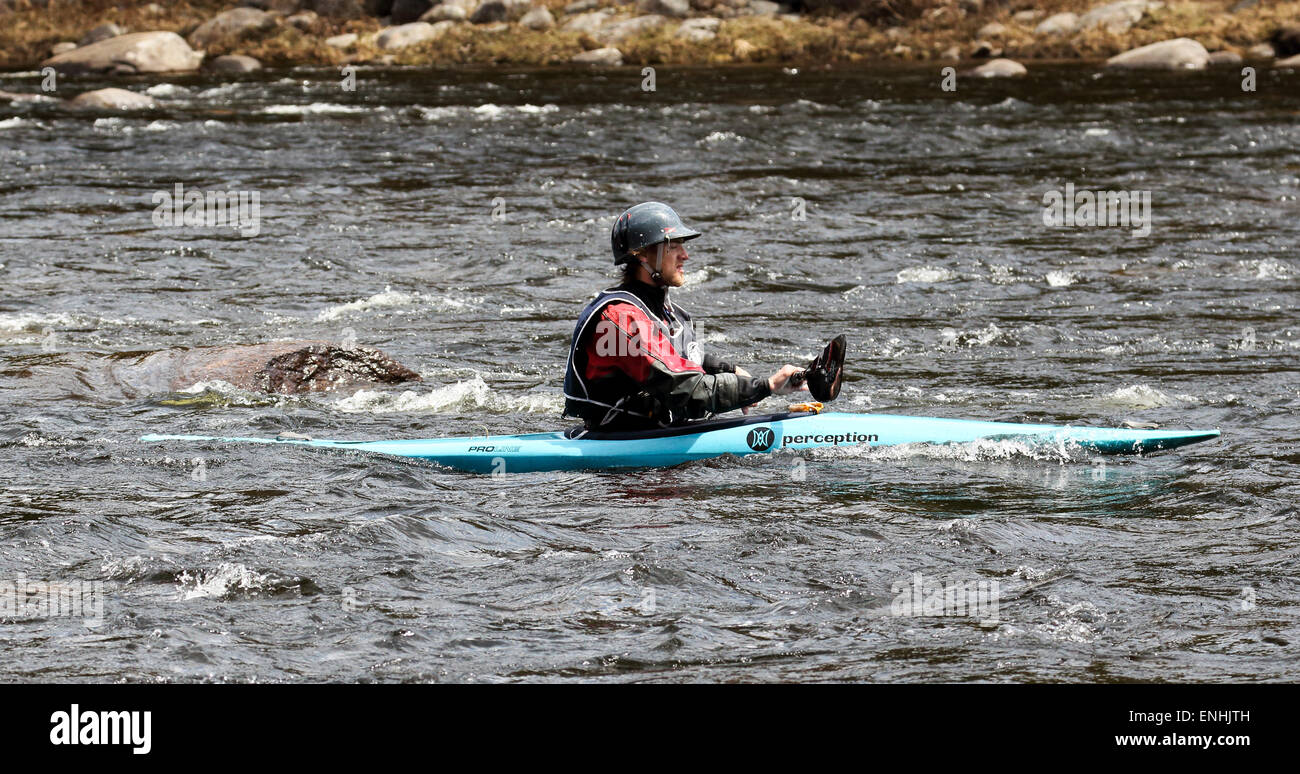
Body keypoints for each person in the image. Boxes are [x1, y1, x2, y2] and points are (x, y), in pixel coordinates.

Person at [562, 202, 806, 431]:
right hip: (621, 444)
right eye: (674, 246)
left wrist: (729, 369)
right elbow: (687, 389)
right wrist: (766, 386)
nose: (685, 255)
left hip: (656, 433)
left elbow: (676, 355)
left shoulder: (669, 312)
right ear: (643, 255)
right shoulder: (622, 318)